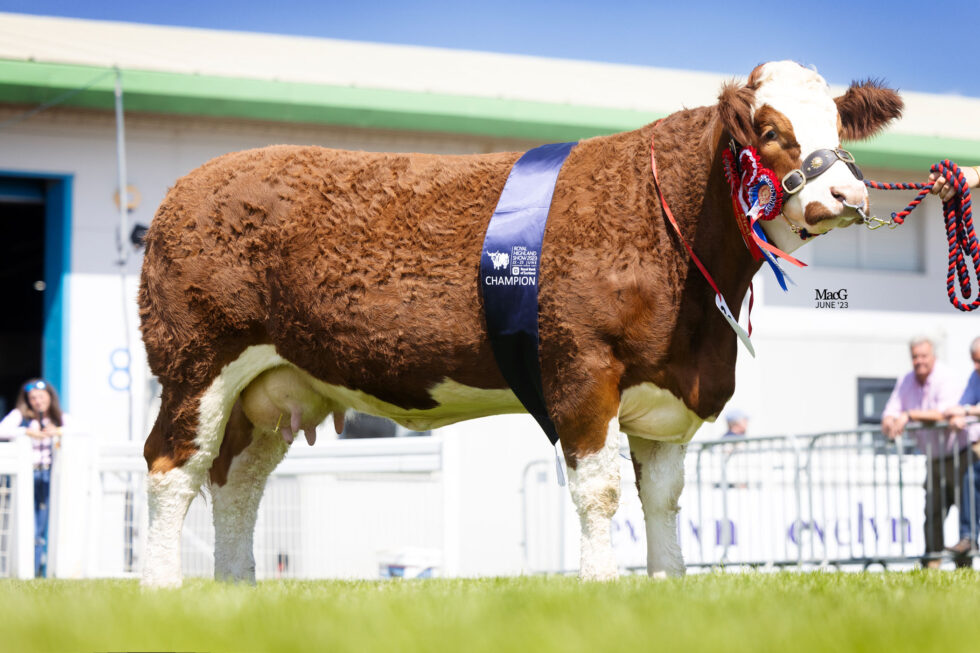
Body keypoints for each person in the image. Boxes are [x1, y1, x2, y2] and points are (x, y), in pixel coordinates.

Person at [880, 336, 973, 568]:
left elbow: (945, 413)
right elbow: (889, 411)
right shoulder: (906, 381)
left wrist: (909, 415)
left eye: (923, 356)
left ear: (933, 356)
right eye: (915, 356)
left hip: (960, 455)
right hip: (933, 458)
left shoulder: (946, 377)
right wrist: (891, 421)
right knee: (932, 512)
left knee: (967, 513)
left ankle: (965, 566)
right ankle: (932, 563)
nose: (919, 361)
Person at [0, 379, 69, 577]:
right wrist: (26, 432)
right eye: (33, 398)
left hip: (48, 474)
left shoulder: (59, 418)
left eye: (41, 396)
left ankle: (37, 569)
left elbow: (83, 431)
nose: (37, 401)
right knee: (25, 521)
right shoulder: (20, 417)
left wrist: (58, 432)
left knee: (42, 522)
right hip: (28, 473)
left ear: (49, 397)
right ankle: (25, 569)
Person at [942, 337, 980, 563]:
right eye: (974, 361)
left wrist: (965, 411)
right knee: (970, 477)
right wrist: (958, 414)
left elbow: (966, 407)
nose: (977, 366)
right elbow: (962, 405)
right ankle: (968, 537)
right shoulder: (975, 378)